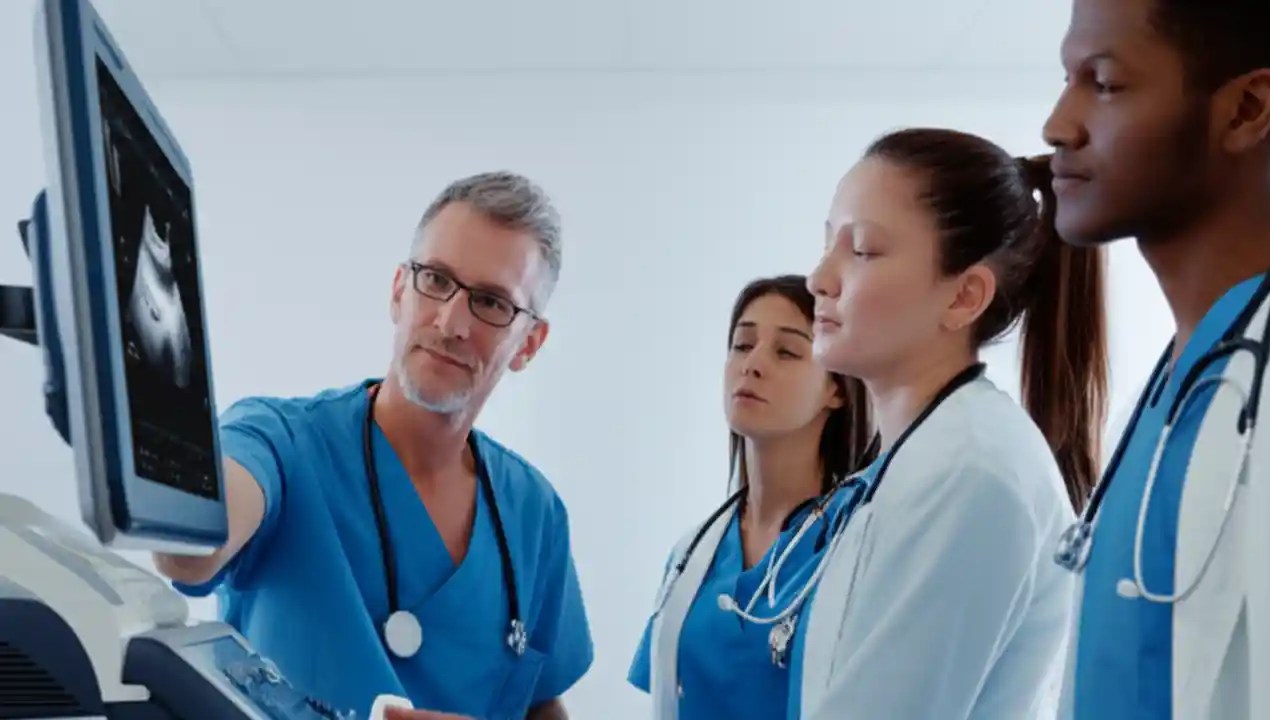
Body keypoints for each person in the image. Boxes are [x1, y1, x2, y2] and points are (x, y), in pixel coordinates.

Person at [152, 171, 593, 720]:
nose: (451, 321)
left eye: (491, 302)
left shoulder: (535, 512)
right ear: (398, 290)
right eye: (436, 279)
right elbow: (188, 553)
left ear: (529, 343)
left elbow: (541, 703)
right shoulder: (283, 442)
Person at [786, 127, 1110, 719]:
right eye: (828, 243)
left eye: (861, 251)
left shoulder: (970, 471)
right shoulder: (924, 456)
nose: (818, 279)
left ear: (963, 297)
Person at [1043, 0, 1270, 717]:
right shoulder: (1172, 392)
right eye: (1067, 78)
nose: (1058, 124)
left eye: (1105, 84)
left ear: (1245, 109)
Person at [628, 274, 874, 719]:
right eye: (742, 345)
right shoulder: (691, 557)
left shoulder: (857, 542)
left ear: (837, 388)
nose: (753, 364)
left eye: (787, 352)